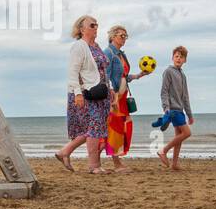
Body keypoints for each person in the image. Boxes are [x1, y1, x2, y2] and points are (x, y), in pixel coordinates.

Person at [55, 15, 111, 175]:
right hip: (86, 93)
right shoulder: (79, 46)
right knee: (93, 128)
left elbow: (101, 71)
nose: (96, 28)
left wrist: (110, 88)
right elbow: (73, 72)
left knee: (93, 128)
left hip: (100, 93)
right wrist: (78, 94)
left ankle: (64, 152)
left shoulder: (96, 46)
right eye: (92, 25)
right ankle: (94, 166)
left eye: (96, 25)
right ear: (81, 29)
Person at [103, 25, 149, 173]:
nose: (124, 38)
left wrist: (138, 75)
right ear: (112, 36)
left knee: (124, 127)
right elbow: (106, 77)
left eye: (125, 36)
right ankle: (116, 163)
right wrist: (112, 98)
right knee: (115, 129)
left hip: (122, 98)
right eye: (121, 35)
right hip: (114, 98)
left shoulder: (121, 54)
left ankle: (97, 159)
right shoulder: (108, 53)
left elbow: (123, 76)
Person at [156, 46, 193, 170]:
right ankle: (163, 151)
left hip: (180, 110)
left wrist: (190, 114)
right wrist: (166, 107)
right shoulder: (168, 71)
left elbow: (185, 97)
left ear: (185, 60)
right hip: (172, 110)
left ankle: (175, 164)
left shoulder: (183, 75)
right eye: (176, 56)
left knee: (179, 137)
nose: (179, 58)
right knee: (187, 133)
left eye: (181, 57)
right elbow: (164, 91)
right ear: (172, 58)